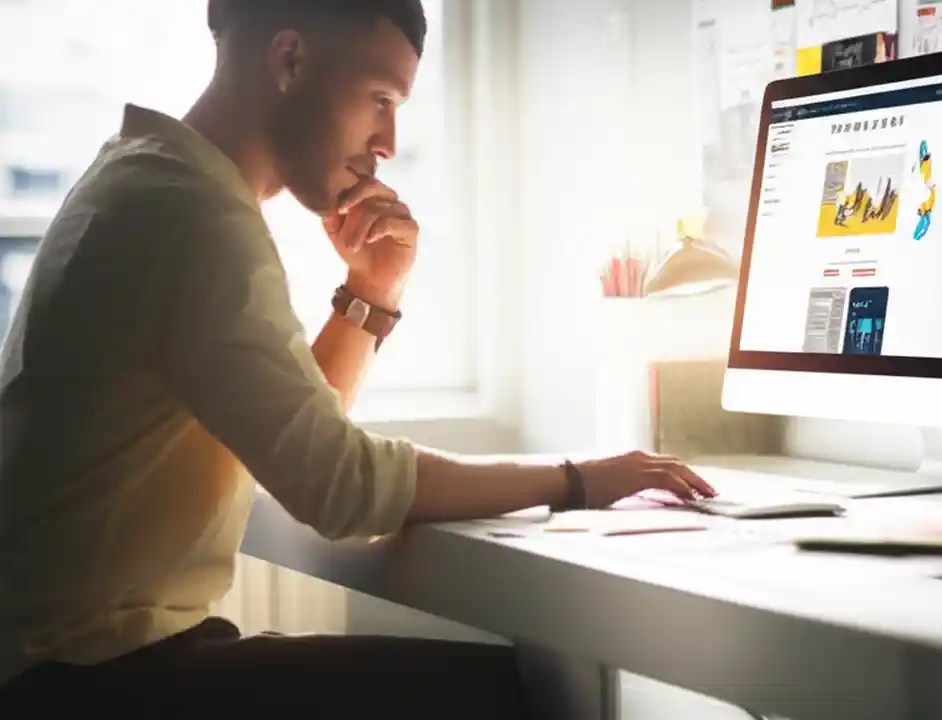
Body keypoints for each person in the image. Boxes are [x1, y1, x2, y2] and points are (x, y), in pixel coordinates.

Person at [0, 1, 716, 716]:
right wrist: (577, 478)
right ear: (289, 60)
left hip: (69, 668)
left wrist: (370, 294)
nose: (389, 142)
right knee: (518, 697)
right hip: (86, 683)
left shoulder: (149, 180)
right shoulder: (192, 217)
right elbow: (337, 486)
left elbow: (297, 448)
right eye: (381, 99)